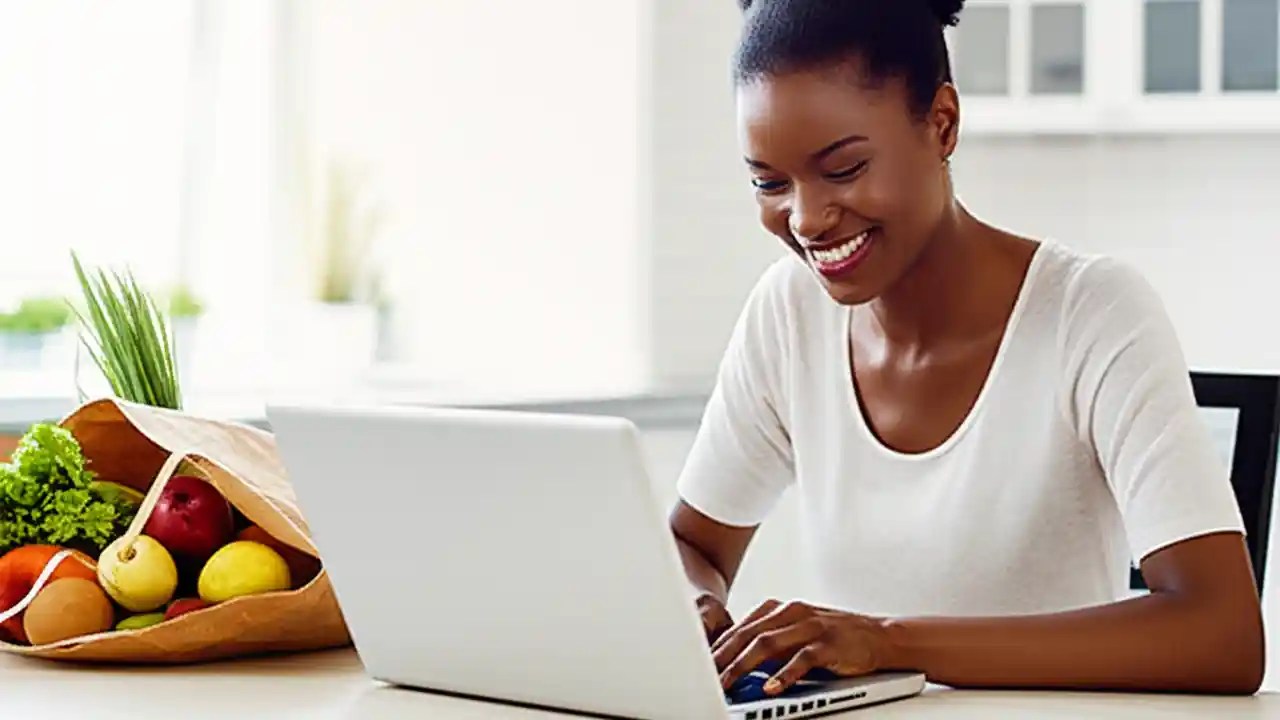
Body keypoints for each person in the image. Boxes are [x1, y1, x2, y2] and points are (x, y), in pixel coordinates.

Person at [670, 0, 1265, 698]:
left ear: (942, 124)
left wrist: (888, 643)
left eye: (844, 169)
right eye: (770, 183)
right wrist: (691, 608)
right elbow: (693, 546)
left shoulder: (1092, 313)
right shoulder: (787, 312)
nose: (804, 219)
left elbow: (1221, 634)